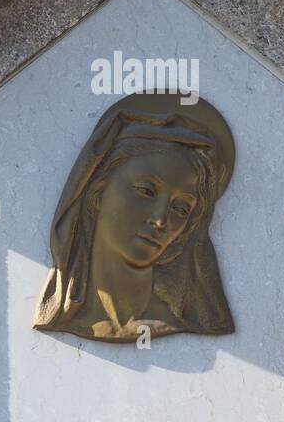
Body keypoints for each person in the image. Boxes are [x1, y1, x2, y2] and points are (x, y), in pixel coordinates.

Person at [33, 92, 236, 342]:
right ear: (98, 191)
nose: (160, 220)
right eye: (146, 191)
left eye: (181, 208)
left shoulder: (171, 321)